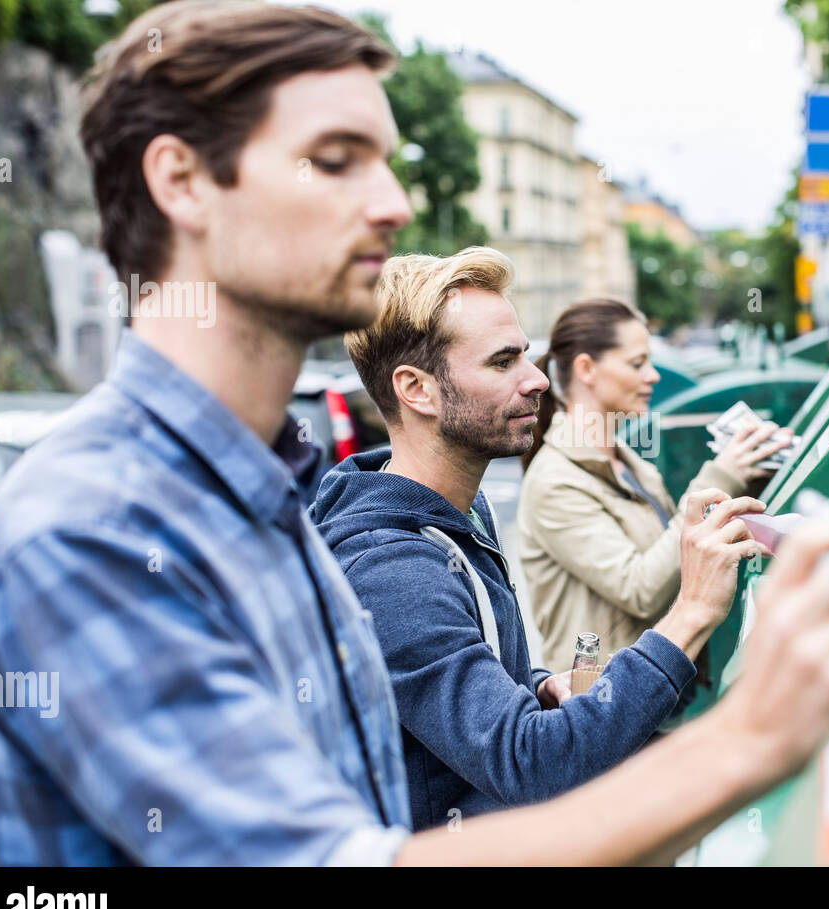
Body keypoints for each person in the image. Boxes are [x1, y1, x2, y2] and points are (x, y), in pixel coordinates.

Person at [0, 0, 829, 866]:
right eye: (334, 161)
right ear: (182, 181)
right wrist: (748, 735)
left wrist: (542, 692)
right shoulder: (101, 527)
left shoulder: (266, 499)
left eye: (384, 161)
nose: (393, 203)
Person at [310, 248, 767, 828]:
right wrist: (695, 610)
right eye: (503, 363)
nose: (538, 380)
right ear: (417, 390)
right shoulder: (390, 568)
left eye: (525, 353)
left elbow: (465, 689)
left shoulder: (458, 510)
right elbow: (529, 763)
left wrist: (538, 685)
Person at [518, 297, 793, 674]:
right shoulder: (555, 481)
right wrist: (718, 477)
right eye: (637, 364)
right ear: (587, 369)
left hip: (656, 687)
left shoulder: (625, 459)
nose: (653, 375)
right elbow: (641, 589)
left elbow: (673, 556)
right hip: (606, 705)